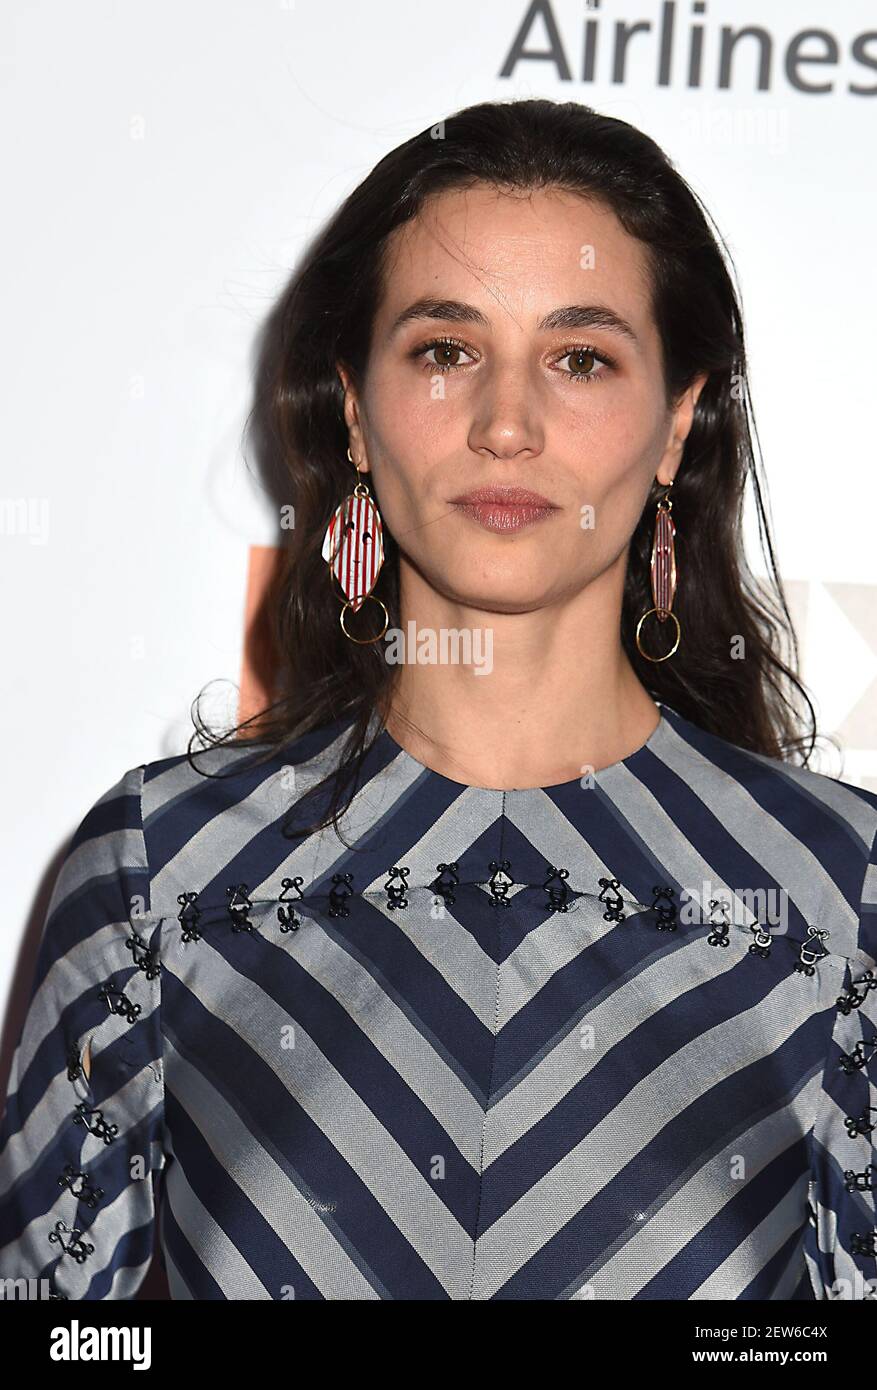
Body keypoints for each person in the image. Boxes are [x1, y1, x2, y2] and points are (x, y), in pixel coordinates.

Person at [1, 98, 875, 1301]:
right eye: (445, 350)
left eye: (579, 358)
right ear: (355, 409)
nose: (505, 424)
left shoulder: (841, 893)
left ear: (677, 422)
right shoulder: (162, 875)